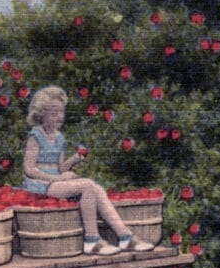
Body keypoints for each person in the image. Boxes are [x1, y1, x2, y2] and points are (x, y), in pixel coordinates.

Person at [23, 85, 155, 256]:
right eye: (54, 113)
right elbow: (29, 169)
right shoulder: (35, 136)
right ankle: (92, 239)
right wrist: (57, 179)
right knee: (87, 185)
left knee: (96, 188)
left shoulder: (59, 137)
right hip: (39, 185)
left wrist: (73, 160)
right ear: (41, 114)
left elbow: (60, 168)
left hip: (56, 183)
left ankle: (125, 235)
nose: (59, 116)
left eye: (61, 112)